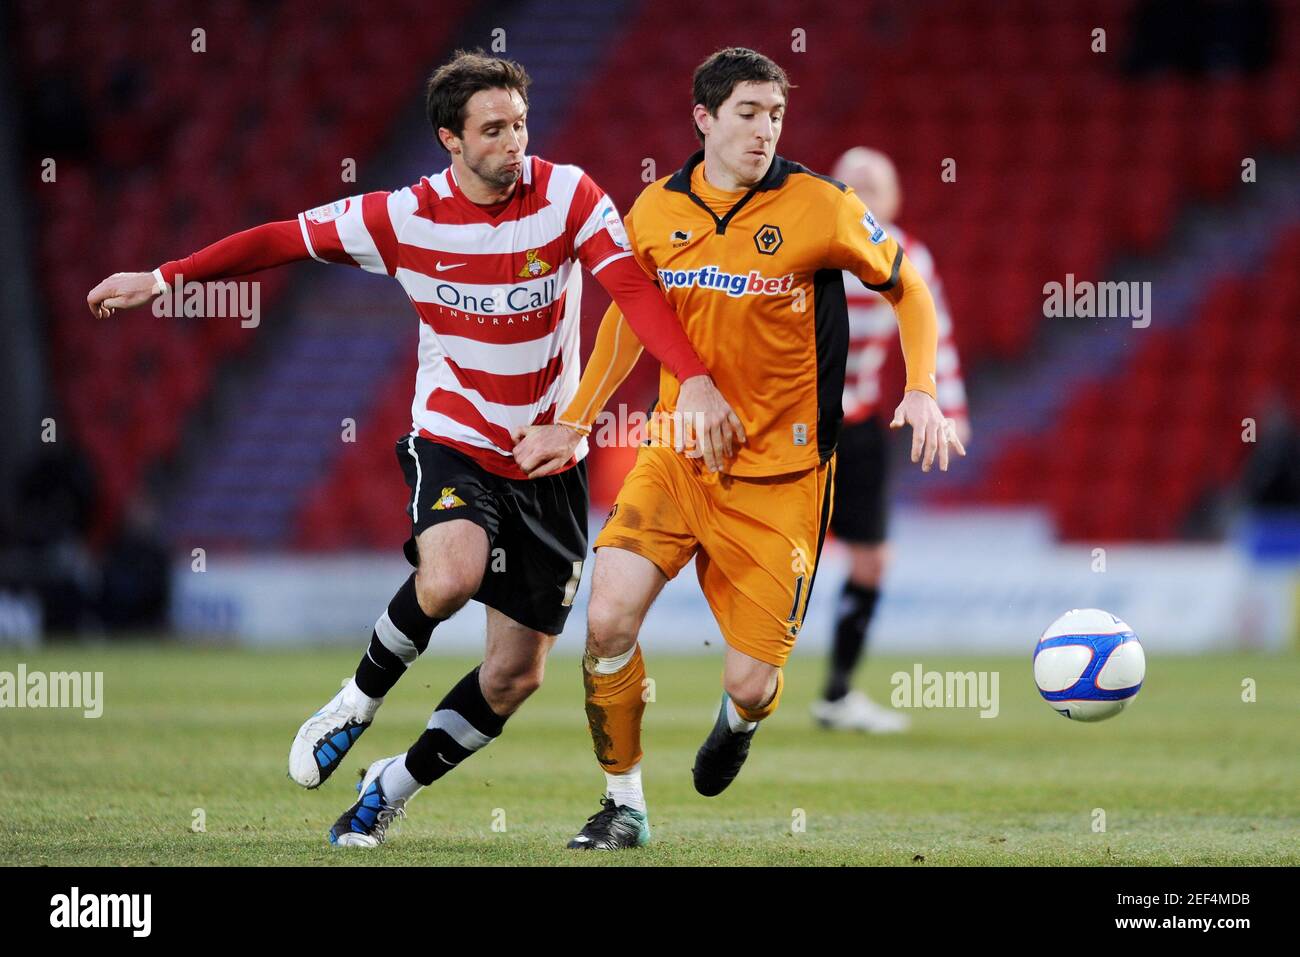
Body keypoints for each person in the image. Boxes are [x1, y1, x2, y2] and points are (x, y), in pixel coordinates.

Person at [86, 50, 738, 847]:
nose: (514, 143)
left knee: (515, 675)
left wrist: (694, 378)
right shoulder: (401, 218)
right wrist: (166, 275)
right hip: (456, 436)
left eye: (520, 124)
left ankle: (387, 786)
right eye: (493, 130)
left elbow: (633, 289)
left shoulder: (569, 195)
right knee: (452, 574)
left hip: (548, 460)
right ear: (449, 140)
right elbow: (283, 238)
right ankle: (354, 702)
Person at [513, 47, 964, 850]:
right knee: (608, 615)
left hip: (782, 477)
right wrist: (577, 418)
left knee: (752, 683)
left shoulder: (820, 206)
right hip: (677, 456)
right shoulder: (653, 211)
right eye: (748, 113)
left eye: (775, 115)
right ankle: (624, 805)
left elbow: (909, 288)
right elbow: (627, 320)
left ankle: (740, 720)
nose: (764, 130)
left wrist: (921, 386)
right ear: (705, 119)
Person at [810, 147, 971, 733]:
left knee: (873, 559)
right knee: (771, 559)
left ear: (896, 199)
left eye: (875, 185)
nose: (863, 195)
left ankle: (837, 695)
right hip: (790, 430)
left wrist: (947, 407)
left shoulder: (909, 257)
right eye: (851, 184)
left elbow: (937, 334)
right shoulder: (814, 249)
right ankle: (747, 687)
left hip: (855, 427)